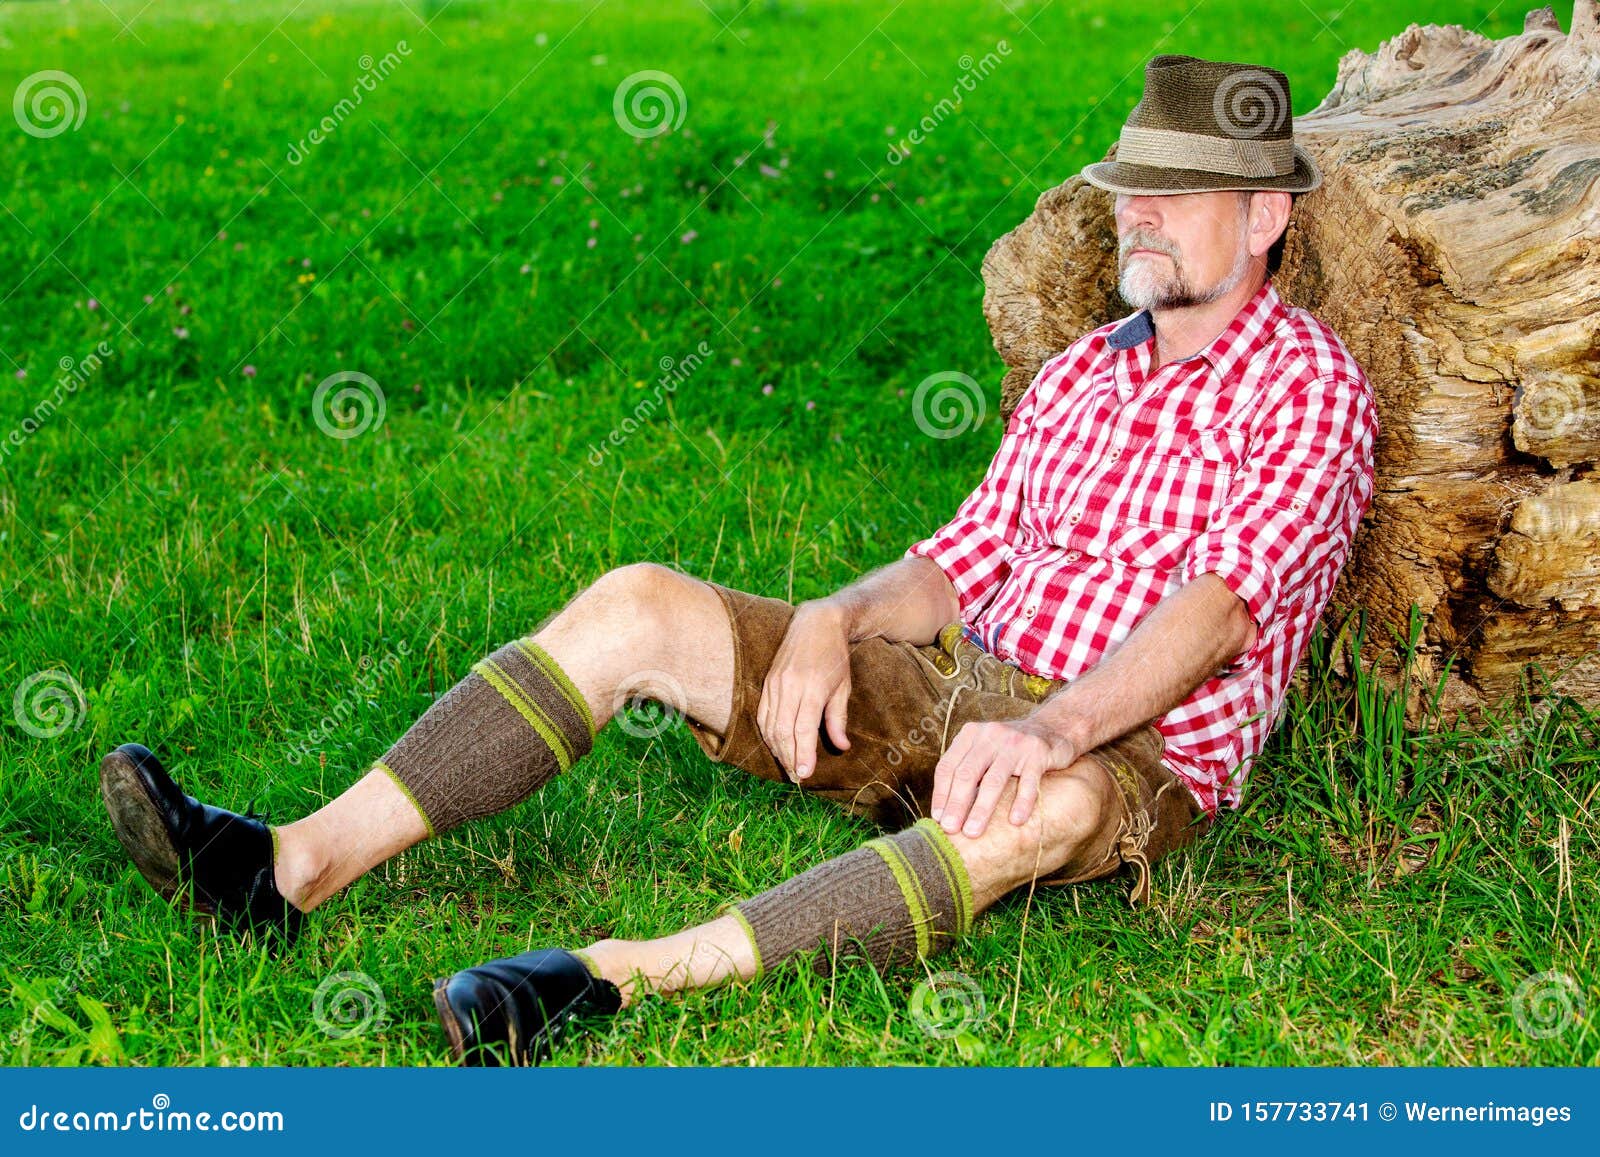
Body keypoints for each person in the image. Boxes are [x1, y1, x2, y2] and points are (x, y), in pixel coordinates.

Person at [99, 54, 1378, 1066]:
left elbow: (1219, 612)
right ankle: (288, 864)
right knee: (636, 603)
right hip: (962, 689)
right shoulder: (1082, 374)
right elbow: (961, 559)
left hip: (1125, 749)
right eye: (1130, 186)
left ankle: (613, 974)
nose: (1137, 213)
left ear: (1265, 213)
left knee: (1046, 807)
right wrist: (830, 615)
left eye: (1175, 192)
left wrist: (1049, 731)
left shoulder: (1307, 386)